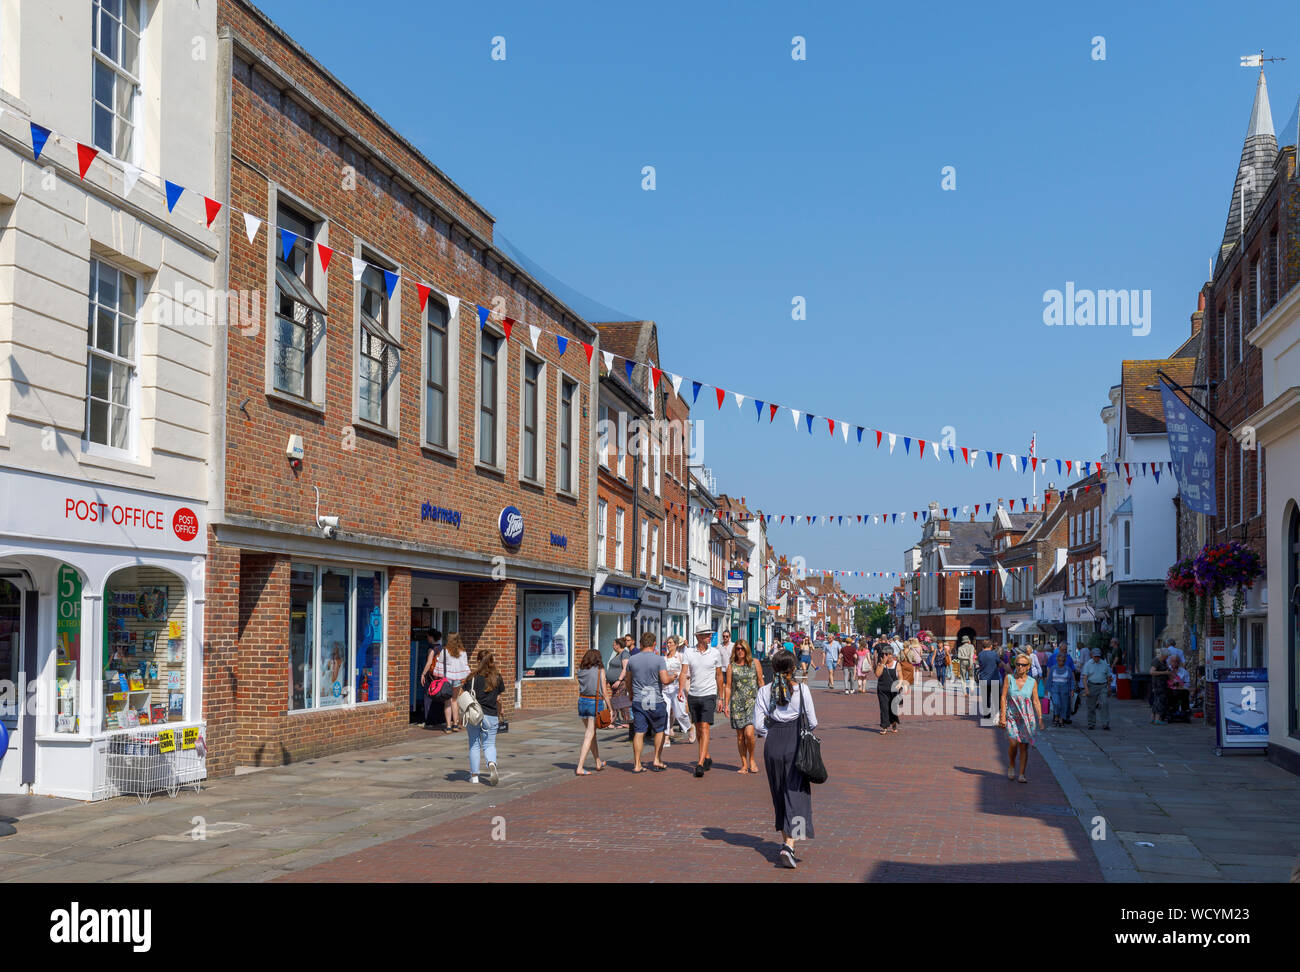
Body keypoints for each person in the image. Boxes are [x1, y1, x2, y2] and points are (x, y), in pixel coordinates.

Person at [753, 648, 818, 869]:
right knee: (796, 792)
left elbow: (758, 724)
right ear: (793, 669)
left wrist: (770, 734)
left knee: (778, 792)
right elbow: (813, 721)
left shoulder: (764, 691)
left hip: (773, 743)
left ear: (773, 668)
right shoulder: (802, 690)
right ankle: (790, 845)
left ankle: (786, 840)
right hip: (795, 741)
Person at [626, 631, 674, 772]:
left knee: (639, 731)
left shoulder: (632, 659)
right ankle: (657, 759)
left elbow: (628, 680)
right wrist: (674, 677)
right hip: (655, 699)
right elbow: (665, 680)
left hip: (639, 699)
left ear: (640, 644)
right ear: (654, 644)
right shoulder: (659, 660)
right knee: (659, 730)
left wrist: (631, 693)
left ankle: (637, 764)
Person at [684, 627, 726, 777]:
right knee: (699, 729)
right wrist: (680, 691)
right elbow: (684, 672)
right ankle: (706, 756)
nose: (710, 637)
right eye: (707, 635)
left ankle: (700, 763)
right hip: (693, 694)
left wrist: (720, 697)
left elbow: (719, 675)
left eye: (710, 634)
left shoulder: (715, 653)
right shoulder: (689, 652)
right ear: (699, 637)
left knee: (705, 727)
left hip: (709, 694)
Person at [463, 648, 504, 785]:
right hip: (491, 716)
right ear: (492, 662)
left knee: (474, 745)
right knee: (489, 744)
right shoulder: (497, 677)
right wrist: (500, 712)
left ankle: (474, 776)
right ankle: (491, 764)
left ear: (478, 661)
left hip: (475, 716)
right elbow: (498, 698)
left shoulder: (471, 678)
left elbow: (465, 696)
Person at [999, 653, 1041, 783]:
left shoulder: (1032, 682)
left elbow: (1036, 701)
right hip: (1011, 716)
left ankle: (1022, 774)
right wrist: (1002, 716)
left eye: (1023, 665)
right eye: (1018, 664)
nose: (1020, 667)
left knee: (1024, 746)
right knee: (1013, 744)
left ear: (1028, 666)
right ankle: (1012, 764)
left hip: (1026, 718)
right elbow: (1003, 697)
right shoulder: (1009, 678)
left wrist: (1040, 718)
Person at [725, 639, 764, 773]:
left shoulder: (755, 663)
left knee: (749, 734)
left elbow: (761, 682)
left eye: (742, 648)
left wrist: (765, 703)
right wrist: (726, 704)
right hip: (737, 704)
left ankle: (752, 759)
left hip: (752, 703)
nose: (740, 651)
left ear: (746, 649)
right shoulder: (732, 666)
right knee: (740, 736)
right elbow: (728, 687)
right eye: (737, 649)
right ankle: (744, 764)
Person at [423, 632, 470, 733]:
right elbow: (465, 666)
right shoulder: (463, 652)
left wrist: (435, 675)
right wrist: (465, 677)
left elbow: (439, 664)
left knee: (447, 702)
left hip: (446, 679)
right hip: (457, 678)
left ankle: (448, 726)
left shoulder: (445, 651)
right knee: (455, 700)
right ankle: (456, 724)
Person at [576, 648, 611, 775]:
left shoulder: (580, 670)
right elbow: (605, 692)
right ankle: (580, 767)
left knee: (592, 734)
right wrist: (610, 708)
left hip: (582, 702)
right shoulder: (599, 670)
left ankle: (598, 762)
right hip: (594, 703)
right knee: (589, 734)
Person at [662, 635, 693, 745]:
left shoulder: (681, 656)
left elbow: (687, 674)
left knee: (680, 713)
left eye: (670, 643)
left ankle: (689, 728)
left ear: (675, 645)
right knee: (665, 713)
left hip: (676, 689)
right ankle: (666, 737)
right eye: (667, 643)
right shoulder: (663, 658)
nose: (668, 645)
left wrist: (678, 675)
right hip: (665, 689)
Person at [606, 635, 633, 731]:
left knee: (615, 701)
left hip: (621, 683)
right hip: (614, 683)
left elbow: (625, 668)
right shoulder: (617, 655)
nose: (613, 646)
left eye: (614, 645)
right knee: (621, 701)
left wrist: (619, 680)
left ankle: (611, 722)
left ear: (618, 645)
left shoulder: (624, 654)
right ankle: (627, 722)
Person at [1081, 646, 1112, 730]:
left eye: (1098, 656)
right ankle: (1091, 723)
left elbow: (1109, 676)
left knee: (1104, 703)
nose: (1097, 658)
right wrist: (1086, 689)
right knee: (1091, 705)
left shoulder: (1104, 664)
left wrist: (1109, 688)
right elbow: (1084, 677)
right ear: (1091, 655)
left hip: (1103, 685)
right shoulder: (1088, 664)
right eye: (1095, 656)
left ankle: (1105, 723)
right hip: (1092, 685)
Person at [874, 642, 901, 733]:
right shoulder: (880, 663)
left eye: (887, 654)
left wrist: (900, 683)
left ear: (891, 655)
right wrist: (882, 664)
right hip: (882, 690)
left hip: (893, 690)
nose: (886, 656)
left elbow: (900, 676)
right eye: (884, 654)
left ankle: (893, 722)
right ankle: (884, 726)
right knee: (884, 708)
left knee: (892, 708)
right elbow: (877, 674)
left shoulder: (896, 664)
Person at [976, 640, 1004, 723]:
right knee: (996, 698)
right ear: (991, 646)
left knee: (985, 697)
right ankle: (997, 714)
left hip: (984, 678)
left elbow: (979, 665)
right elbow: (1000, 664)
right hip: (994, 678)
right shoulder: (994, 654)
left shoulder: (980, 654)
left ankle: (986, 715)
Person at [1047, 647, 1075, 727]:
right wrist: (1047, 690)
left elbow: (1071, 680)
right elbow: (1049, 679)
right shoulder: (1053, 668)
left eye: (1063, 660)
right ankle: (1056, 716)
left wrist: (1072, 689)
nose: (1061, 662)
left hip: (1065, 689)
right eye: (1059, 660)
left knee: (1064, 705)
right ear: (1057, 660)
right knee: (1056, 703)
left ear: (1065, 660)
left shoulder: (1068, 669)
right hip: (1054, 689)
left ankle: (1061, 719)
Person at [1165, 654, 1191, 720]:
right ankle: (1171, 710)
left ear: (1179, 662)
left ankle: (1184, 711)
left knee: (1185, 693)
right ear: (1170, 662)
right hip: (1170, 690)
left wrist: (1181, 685)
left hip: (1181, 690)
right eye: (1173, 661)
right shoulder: (1167, 670)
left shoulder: (1183, 671)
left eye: (1176, 661)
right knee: (1170, 693)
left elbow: (1187, 683)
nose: (1175, 663)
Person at [1149, 648, 1170, 725]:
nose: (1167, 658)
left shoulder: (1163, 661)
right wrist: (1164, 672)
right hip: (1158, 684)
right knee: (1159, 701)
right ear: (1163, 655)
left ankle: (1153, 718)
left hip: (1163, 684)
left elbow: (1167, 669)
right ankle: (1157, 719)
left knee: (1156, 701)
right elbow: (1151, 672)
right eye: (1166, 656)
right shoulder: (1156, 661)